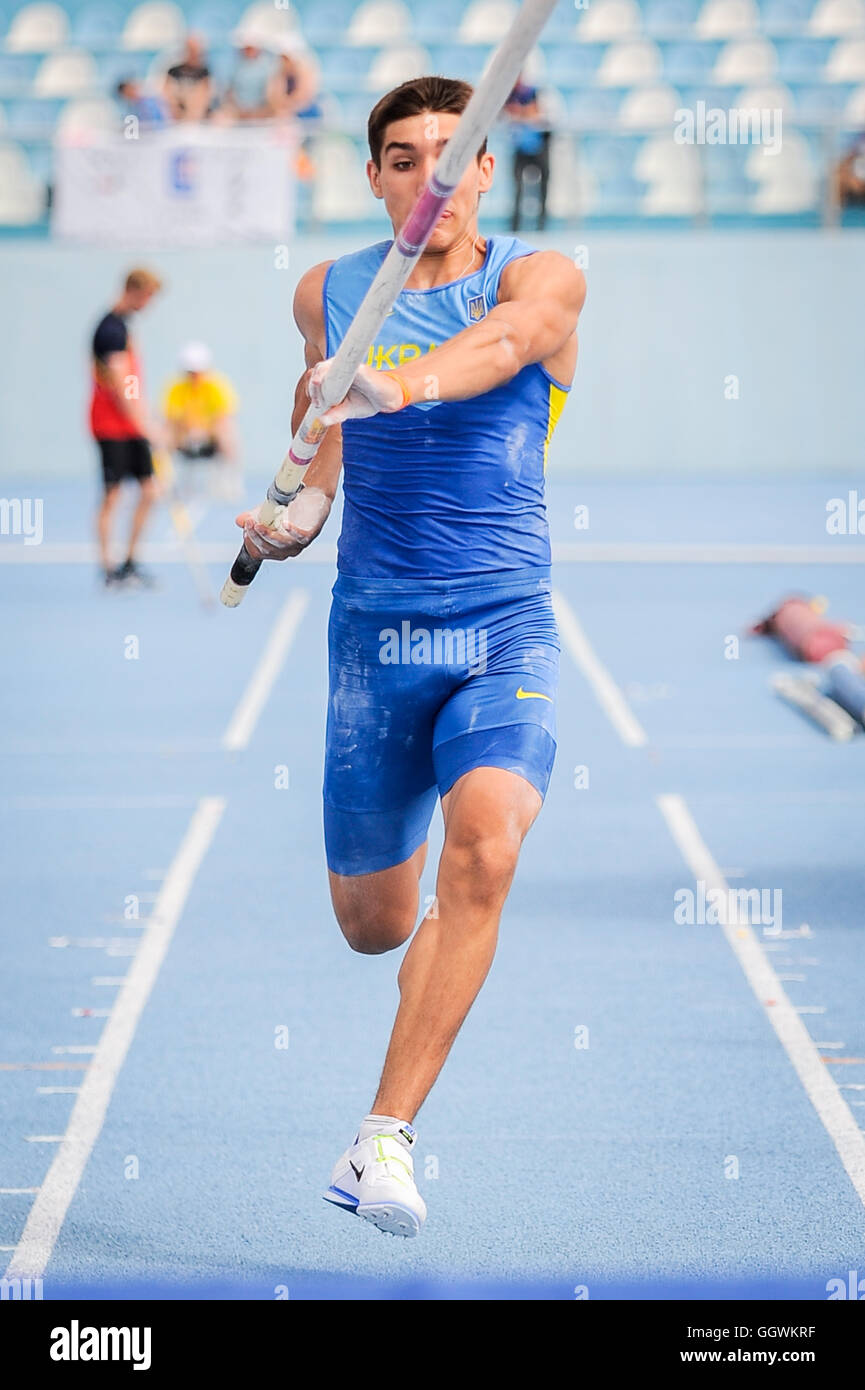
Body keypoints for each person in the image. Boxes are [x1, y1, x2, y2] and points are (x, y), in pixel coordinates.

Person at [235, 73, 585, 1239]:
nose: (430, 173)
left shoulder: (538, 279)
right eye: (404, 156)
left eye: (454, 152)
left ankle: (381, 1134)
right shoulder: (328, 293)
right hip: (374, 639)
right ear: (377, 176)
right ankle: (420, 970)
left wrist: (397, 382)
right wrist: (297, 518)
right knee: (378, 924)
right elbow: (318, 449)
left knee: (484, 850)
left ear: (485, 169)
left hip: (503, 627)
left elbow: (506, 348)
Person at [89, 268, 163, 588]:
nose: (148, 305)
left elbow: (131, 383)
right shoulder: (111, 330)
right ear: (136, 291)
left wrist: (144, 416)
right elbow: (121, 386)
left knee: (149, 491)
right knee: (113, 495)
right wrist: (143, 421)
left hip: (131, 426)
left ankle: (130, 561)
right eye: (148, 298)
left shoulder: (123, 326)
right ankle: (108, 568)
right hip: (112, 426)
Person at [162, 342, 241, 500]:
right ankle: (164, 482)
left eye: (197, 372)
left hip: (210, 434)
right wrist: (188, 431)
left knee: (227, 433)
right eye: (190, 372)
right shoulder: (176, 387)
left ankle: (230, 482)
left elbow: (223, 417)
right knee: (163, 436)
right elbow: (172, 418)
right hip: (185, 434)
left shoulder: (218, 386)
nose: (194, 377)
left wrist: (204, 431)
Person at [504, 73, 552, 232]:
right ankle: (515, 226)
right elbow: (507, 113)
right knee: (517, 188)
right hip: (520, 147)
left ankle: (541, 226)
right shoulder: (509, 94)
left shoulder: (533, 91)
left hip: (539, 146)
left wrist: (520, 113)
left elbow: (536, 113)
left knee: (543, 187)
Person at [220, 34, 274, 122]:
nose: (248, 51)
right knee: (221, 118)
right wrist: (239, 109)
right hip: (239, 109)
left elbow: (271, 93)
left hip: (261, 109)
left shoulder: (268, 67)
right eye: (246, 48)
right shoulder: (236, 66)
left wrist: (258, 110)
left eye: (251, 48)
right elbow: (229, 91)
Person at [163, 34, 212, 123]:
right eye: (190, 50)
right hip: (176, 115)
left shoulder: (204, 72)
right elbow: (167, 94)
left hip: (196, 117)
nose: (193, 53)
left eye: (195, 50)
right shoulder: (174, 71)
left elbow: (203, 97)